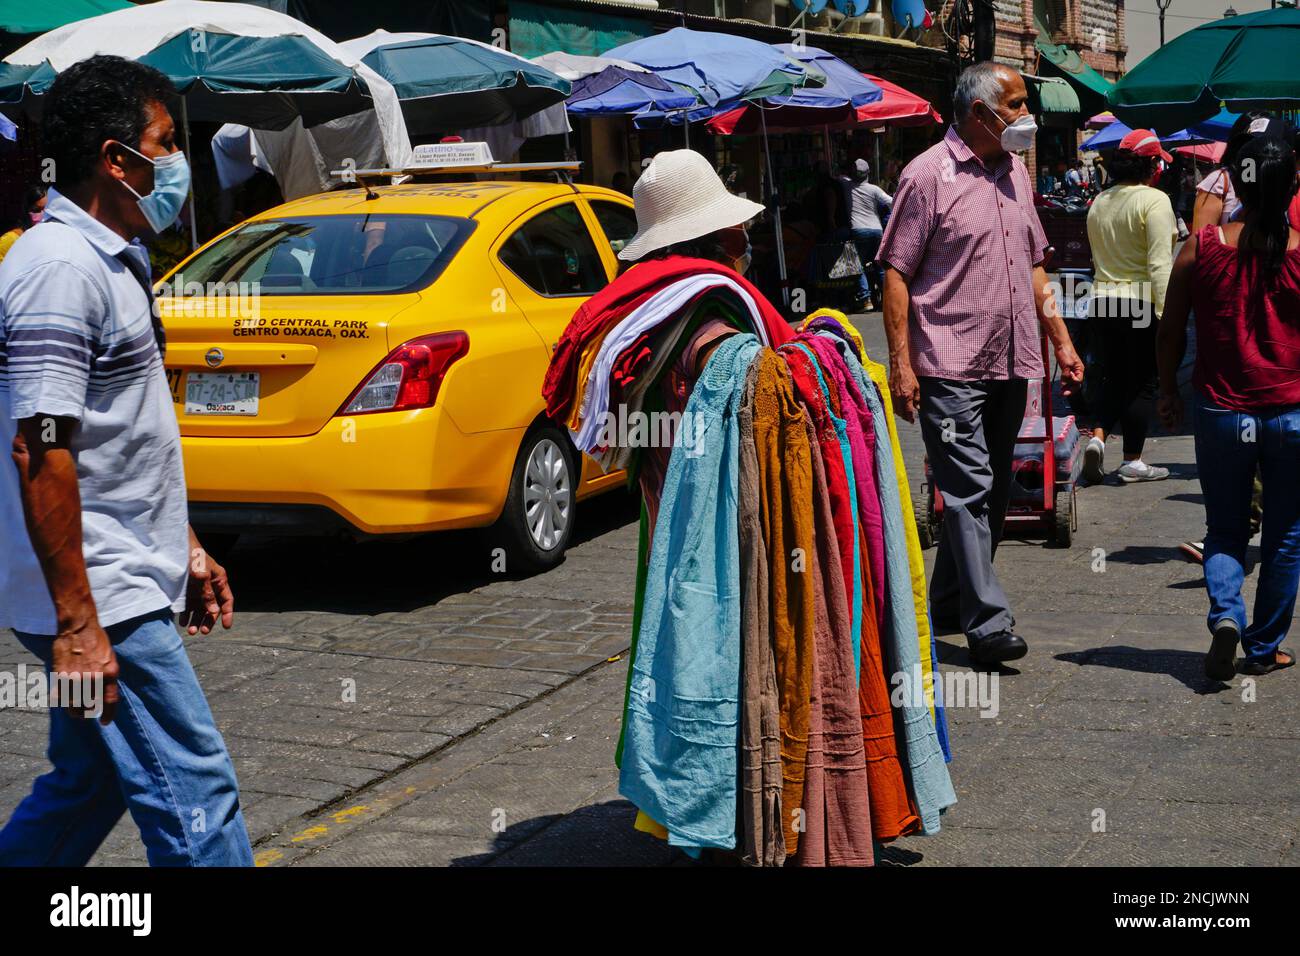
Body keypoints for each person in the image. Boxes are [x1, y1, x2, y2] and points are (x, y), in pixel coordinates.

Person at [0, 55, 252, 866]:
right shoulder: (59, 271)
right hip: (98, 593)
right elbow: (40, 451)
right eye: (165, 142)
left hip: (118, 576)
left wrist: (183, 547)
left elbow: (123, 439)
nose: (176, 162)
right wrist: (78, 623)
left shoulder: (115, 259)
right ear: (117, 159)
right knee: (196, 790)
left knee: (90, 780)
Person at [876, 61, 1084, 666]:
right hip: (949, 362)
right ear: (980, 114)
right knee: (968, 489)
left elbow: (1035, 263)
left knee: (989, 493)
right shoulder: (927, 176)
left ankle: (945, 599)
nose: (1026, 116)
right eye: (1016, 105)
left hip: (1013, 362)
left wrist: (1062, 341)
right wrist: (901, 363)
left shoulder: (1016, 172)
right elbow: (895, 273)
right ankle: (988, 624)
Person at [1157, 133, 1300, 680]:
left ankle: (1226, 616)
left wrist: (1168, 389)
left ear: (1236, 182)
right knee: (1286, 532)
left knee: (1224, 528)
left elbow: (1170, 331)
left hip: (1221, 410)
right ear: (1291, 186)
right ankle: (1264, 648)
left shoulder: (1200, 245)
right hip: (1290, 410)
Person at [1081, 129, 1178, 484]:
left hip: (1101, 302)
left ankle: (1097, 438)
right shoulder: (1154, 201)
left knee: (1113, 378)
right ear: (1151, 164)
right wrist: (1169, 316)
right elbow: (1159, 264)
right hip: (1139, 302)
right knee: (1142, 383)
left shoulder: (1100, 202)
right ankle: (1133, 460)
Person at [843, 158, 892, 311]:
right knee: (879, 266)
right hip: (877, 230)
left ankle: (866, 300)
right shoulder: (874, 189)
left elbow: (838, 177)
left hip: (858, 230)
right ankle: (887, 300)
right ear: (868, 173)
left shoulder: (846, 186)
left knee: (858, 265)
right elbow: (892, 201)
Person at [0, 186, 48, 264]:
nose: (43, 215)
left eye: (47, 210)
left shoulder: (54, 239)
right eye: (37, 210)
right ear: (26, 210)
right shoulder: (11, 239)